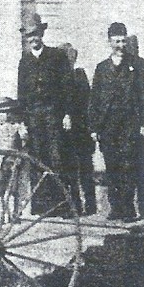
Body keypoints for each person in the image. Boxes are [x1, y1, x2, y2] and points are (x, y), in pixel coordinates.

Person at [89, 23, 144, 222]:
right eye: (116, 41)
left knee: (128, 165)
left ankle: (129, 209)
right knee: (112, 166)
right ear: (109, 42)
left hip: (129, 124)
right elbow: (95, 99)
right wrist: (94, 127)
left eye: (123, 40)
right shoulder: (102, 68)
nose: (121, 45)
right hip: (108, 125)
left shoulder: (138, 65)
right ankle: (116, 207)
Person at [17, 11, 74, 213]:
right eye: (29, 36)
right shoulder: (24, 62)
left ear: (42, 34)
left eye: (36, 34)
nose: (33, 39)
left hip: (53, 115)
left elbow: (68, 87)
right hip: (33, 117)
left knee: (57, 158)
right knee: (36, 160)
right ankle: (41, 205)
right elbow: (21, 93)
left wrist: (67, 113)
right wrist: (22, 122)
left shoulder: (56, 57)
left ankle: (62, 205)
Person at [59, 43, 99, 216]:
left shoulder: (79, 75)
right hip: (65, 133)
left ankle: (90, 205)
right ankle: (75, 206)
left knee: (85, 169)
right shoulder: (57, 79)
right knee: (69, 171)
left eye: (70, 57)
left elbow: (87, 103)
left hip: (81, 130)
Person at [0, 96, 29, 219]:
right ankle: (4, 213)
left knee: (14, 189)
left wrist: (20, 156)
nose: (4, 115)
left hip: (12, 160)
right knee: (0, 189)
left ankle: (15, 212)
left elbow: (24, 141)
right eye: (1, 113)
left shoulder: (17, 125)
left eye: (7, 112)